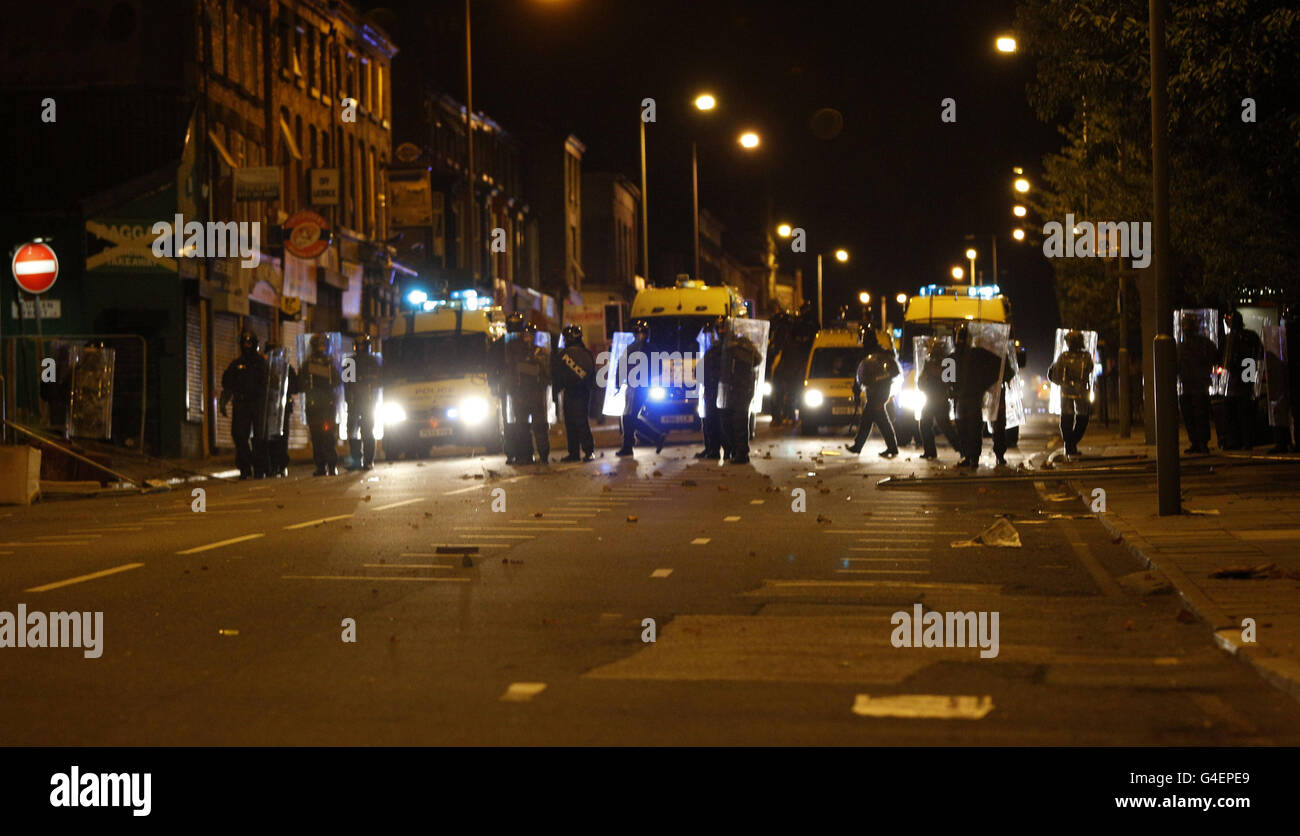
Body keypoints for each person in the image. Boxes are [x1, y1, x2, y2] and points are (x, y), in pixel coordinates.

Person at [219, 331, 270, 480]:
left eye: (250, 343)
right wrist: (223, 402)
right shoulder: (236, 364)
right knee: (239, 436)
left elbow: (269, 383)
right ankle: (245, 468)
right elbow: (228, 384)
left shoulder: (261, 363)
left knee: (259, 438)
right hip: (241, 404)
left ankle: (260, 468)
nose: (247, 346)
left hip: (257, 404)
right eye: (245, 343)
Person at [953, 323, 1002, 469]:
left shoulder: (978, 354)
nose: (960, 340)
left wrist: (984, 385)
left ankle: (973, 457)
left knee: (972, 428)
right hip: (962, 398)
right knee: (964, 428)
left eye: (962, 337)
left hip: (973, 397)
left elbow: (998, 365)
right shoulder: (956, 355)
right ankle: (969, 457)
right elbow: (947, 374)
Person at [503, 316, 551, 464]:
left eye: (531, 335)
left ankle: (543, 455)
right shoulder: (516, 351)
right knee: (522, 427)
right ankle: (526, 455)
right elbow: (513, 371)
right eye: (526, 335)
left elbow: (545, 373)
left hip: (535, 394)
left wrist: (530, 369)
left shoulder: (540, 352)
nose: (528, 338)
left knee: (540, 427)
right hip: (521, 394)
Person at [615, 319, 667, 457]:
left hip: (636, 388)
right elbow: (659, 369)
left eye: (641, 333)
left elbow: (621, 366)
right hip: (640, 387)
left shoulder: (636, 348)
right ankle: (629, 445)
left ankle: (655, 437)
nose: (640, 336)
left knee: (629, 417)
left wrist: (619, 382)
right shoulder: (648, 348)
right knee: (628, 417)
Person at [717, 318, 763, 464]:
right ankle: (735, 450)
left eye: (723, 329)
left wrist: (737, 350)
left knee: (739, 420)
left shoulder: (741, 346)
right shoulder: (724, 346)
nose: (721, 332)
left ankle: (742, 453)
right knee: (728, 420)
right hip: (729, 388)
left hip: (741, 388)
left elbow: (757, 359)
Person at [846, 338, 900, 458]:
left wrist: (858, 391)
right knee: (871, 419)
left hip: (879, 390)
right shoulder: (873, 354)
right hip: (876, 390)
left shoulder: (881, 355)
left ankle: (890, 447)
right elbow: (860, 375)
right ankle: (860, 446)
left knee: (879, 420)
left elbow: (893, 372)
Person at [1048, 330, 1094, 457]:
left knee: (1066, 420)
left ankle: (1069, 445)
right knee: (1082, 419)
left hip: (1066, 392)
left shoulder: (1063, 357)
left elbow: (1055, 375)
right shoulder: (1087, 357)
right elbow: (1089, 370)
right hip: (1082, 392)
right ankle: (1071, 444)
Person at [1221, 310, 1263, 450]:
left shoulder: (1243, 337)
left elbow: (1257, 354)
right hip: (1238, 376)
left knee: (1242, 410)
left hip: (1242, 373)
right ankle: (1239, 440)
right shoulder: (1232, 338)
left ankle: (1243, 440)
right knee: (1236, 409)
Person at [554, 324, 595, 462]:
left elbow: (558, 376)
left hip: (570, 392)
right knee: (580, 421)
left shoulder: (563, 355)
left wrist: (556, 391)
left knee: (572, 423)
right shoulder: (587, 353)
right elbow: (592, 374)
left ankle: (577, 452)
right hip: (583, 392)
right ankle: (586, 451)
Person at [302, 333, 342, 476]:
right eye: (318, 345)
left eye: (323, 344)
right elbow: (300, 383)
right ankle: (320, 466)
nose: (321, 348)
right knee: (317, 436)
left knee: (328, 436)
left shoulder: (330, 363)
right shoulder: (308, 363)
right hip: (314, 406)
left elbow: (338, 381)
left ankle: (331, 465)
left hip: (327, 405)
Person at [1176, 314, 1216, 454]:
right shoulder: (1182, 346)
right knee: (1192, 416)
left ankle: (1201, 443)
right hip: (1189, 385)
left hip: (1197, 385)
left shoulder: (1202, 344)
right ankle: (1197, 442)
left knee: (1198, 415)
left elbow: (1213, 359)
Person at [916, 338, 959, 460]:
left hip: (940, 400)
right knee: (925, 424)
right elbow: (921, 381)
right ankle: (930, 451)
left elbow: (950, 382)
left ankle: (962, 449)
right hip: (932, 400)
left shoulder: (947, 364)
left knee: (946, 428)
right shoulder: (930, 363)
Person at [344, 333, 381, 471]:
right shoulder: (350, 361)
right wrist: (348, 400)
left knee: (367, 431)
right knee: (353, 432)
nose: (360, 348)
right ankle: (355, 461)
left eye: (362, 345)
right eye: (358, 345)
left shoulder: (373, 361)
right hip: (354, 402)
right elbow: (346, 384)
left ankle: (368, 460)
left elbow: (378, 381)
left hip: (368, 402)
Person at [695, 317, 727, 461]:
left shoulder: (726, 350)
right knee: (711, 421)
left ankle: (721, 450)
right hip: (713, 391)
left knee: (719, 422)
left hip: (721, 391)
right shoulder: (712, 350)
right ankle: (712, 449)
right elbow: (699, 372)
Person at [264, 340, 295, 477]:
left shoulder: (286, 368)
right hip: (267, 409)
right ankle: (270, 466)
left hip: (282, 410)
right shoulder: (263, 367)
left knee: (281, 438)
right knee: (267, 439)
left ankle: (281, 465)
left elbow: (295, 385)